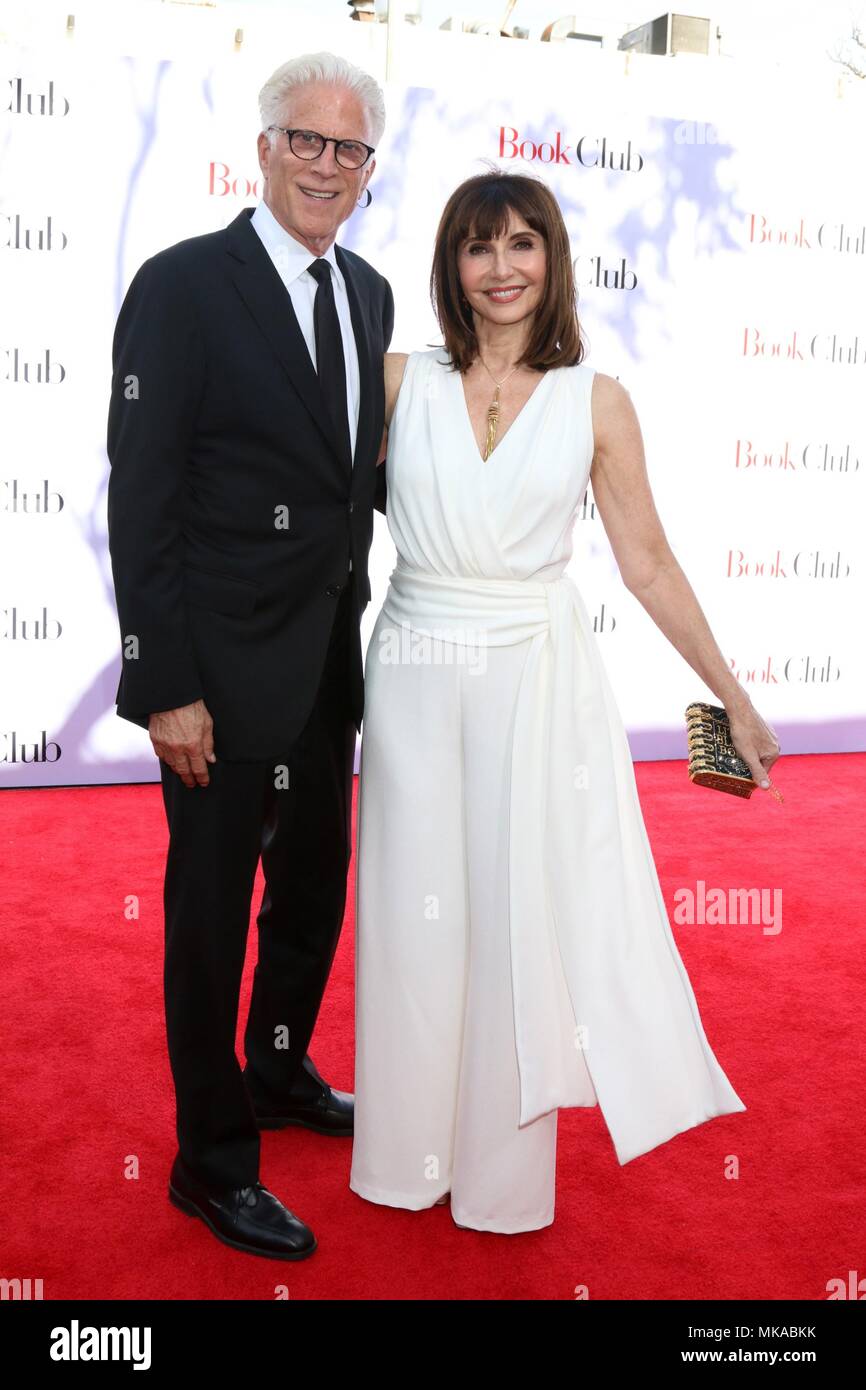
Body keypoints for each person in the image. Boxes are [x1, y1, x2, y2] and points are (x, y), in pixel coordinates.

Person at [349, 170, 780, 1234]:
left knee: (514, 919)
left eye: (522, 245)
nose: (500, 269)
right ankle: (404, 1157)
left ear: (553, 262)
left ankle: (499, 1184)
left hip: (533, 678)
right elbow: (315, 523)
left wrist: (730, 695)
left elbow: (645, 561)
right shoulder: (397, 379)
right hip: (409, 668)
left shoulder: (596, 398)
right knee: (410, 914)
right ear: (450, 264)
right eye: (477, 247)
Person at [106, 52, 393, 1260]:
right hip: (215, 680)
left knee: (315, 892)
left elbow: (354, 481)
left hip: (324, 665)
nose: (327, 165)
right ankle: (209, 1161)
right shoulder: (181, 287)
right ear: (262, 148)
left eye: (350, 150)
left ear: (371, 171)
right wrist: (163, 680)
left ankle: (276, 1073)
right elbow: (144, 494)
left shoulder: (370, 292)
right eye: (307, 141)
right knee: (211, 916)